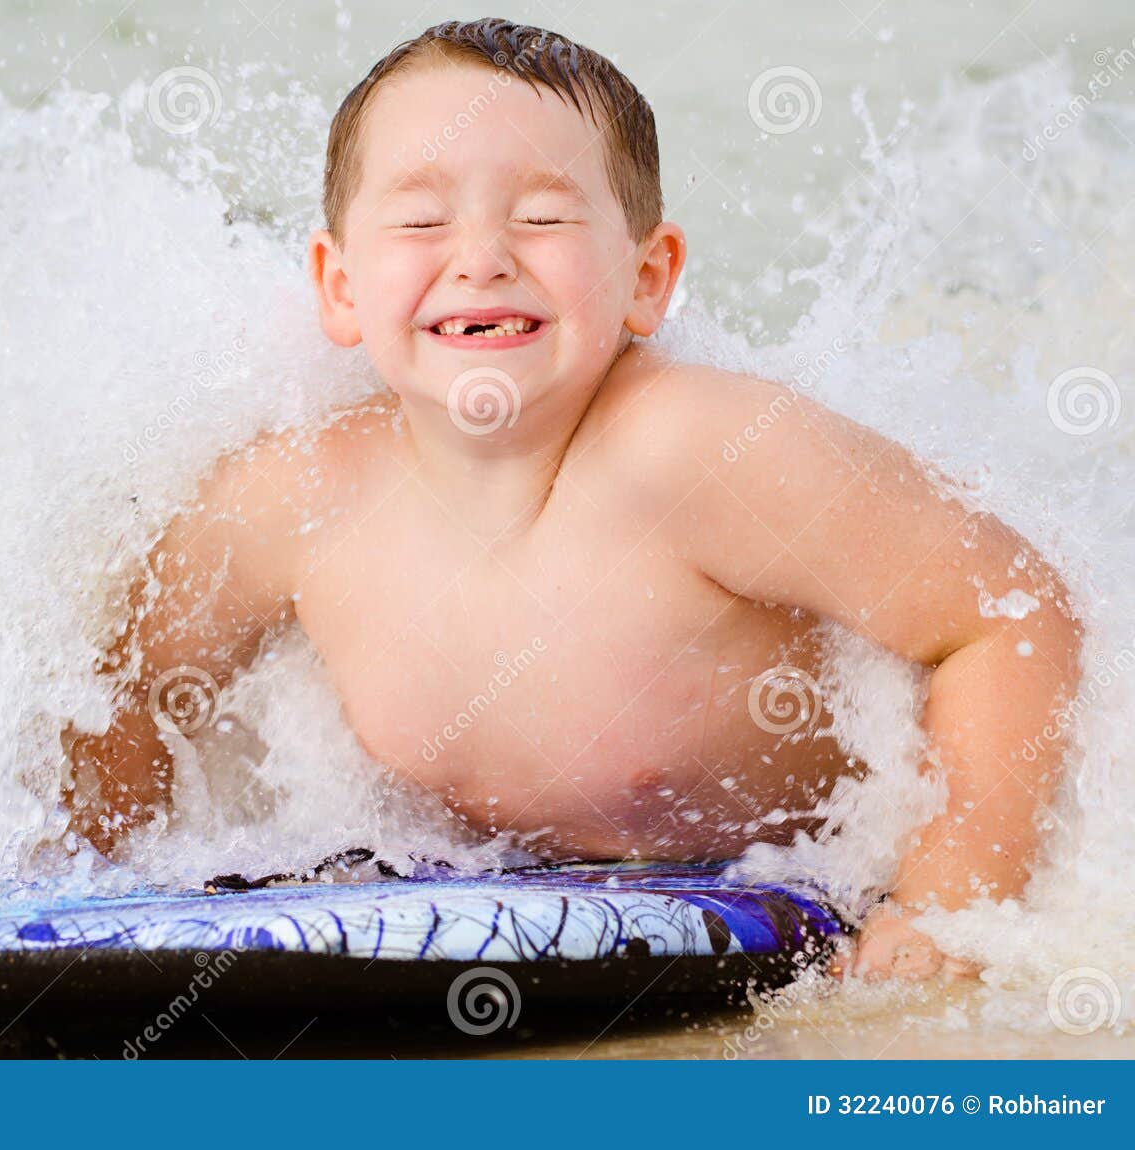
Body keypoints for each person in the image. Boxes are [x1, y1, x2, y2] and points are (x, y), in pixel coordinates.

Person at [64, 18, 1081, 983]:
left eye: (542, 217)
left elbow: (1007, 613)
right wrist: (113, 893)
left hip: (796, 868)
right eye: (421, 219)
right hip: (516, 886)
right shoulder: (292, 502)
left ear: (648, 276)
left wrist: (950, 897)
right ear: (338, 285)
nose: (481, 255)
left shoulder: (701, 451)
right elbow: (128, 692)